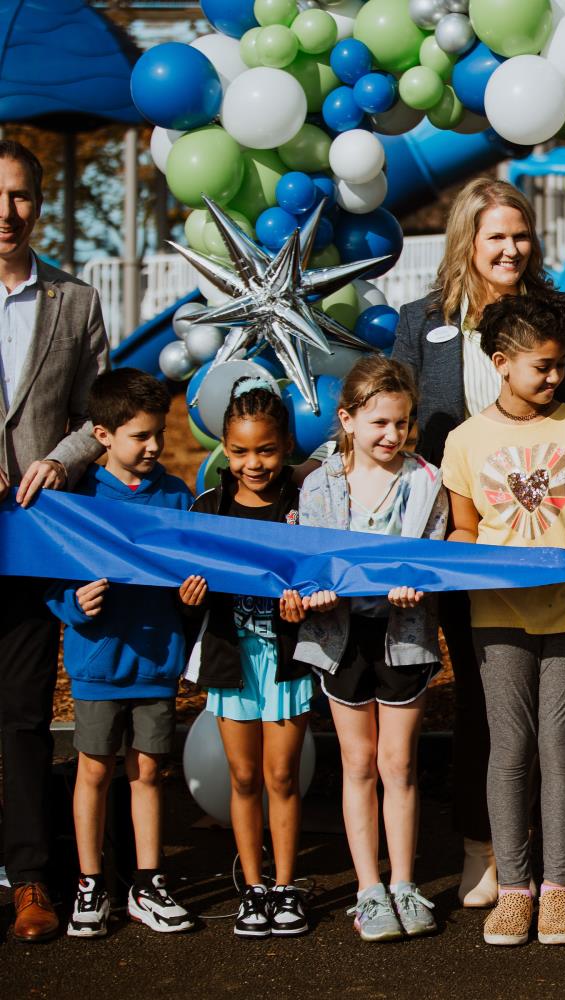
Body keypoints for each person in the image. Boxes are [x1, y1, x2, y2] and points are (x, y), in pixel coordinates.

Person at [391, 176, 565, 908]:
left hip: (552, 541)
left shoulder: (563, 316)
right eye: (496, 236)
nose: (511, 248)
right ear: (468, 241)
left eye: (521, 235)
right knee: (483, 703)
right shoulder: (422, 321)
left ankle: (550, 868)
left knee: (545, 725)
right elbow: (401, 422)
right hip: (466, 542)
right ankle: (483, 850)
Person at [441, 294, 565, 947]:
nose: (555, 377)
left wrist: (562, 561)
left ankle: (560, 889)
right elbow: (462, 528)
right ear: (501, 363)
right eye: (542, 366)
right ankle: (515, 889)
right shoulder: (464, 440)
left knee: (560, 747)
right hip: (496, 615)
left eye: (560, 366)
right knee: (510, 748)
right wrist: (465, 559)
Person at [295, 357, 448, 942]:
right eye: (380, 422)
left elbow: (433, 553)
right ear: (348, 420)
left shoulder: (426, 482)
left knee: (398, 764)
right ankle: (368, 890)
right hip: (341, 638)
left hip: (403, 636)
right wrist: (314, 593)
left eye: (402, 423)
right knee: (358, 763)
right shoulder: (319, 485)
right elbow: (309, 562)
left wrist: (418, 583)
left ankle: (404, 882)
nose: (392, 434)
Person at [43, 371, 197, 938]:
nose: (154, 446)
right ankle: (90, 883)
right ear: (102, 435)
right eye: (140, 436)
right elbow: (51, 573)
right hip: (98, 664)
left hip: (156, 660)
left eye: (159, 434)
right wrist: (72, 603)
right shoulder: (77, 498)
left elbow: (189, 572)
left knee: (148, 771)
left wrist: (189, 600)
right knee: (94, 769)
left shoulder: (177, 495)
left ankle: (147, 883)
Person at [0, 137, 108, 942]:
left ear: (39, 204)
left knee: (24, 712)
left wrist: (61, 459)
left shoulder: (76, 300)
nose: (6, 212)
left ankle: (31, 877)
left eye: (20, 195)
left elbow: (97, 416)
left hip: (35, 539)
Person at [183, 376, 315, 939]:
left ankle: (285, 886)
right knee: (242, 776)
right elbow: (186, 582)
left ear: (285, 446)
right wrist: (189, 596)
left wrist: (304, 605)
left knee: (281, 775)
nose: (252, 463)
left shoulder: (304, 505)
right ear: (224, 448)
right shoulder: (207, 508)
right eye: (239, 451)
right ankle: (253, 889)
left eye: (265, 450)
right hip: (230, 661)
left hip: (285, 661)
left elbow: (323, 578)